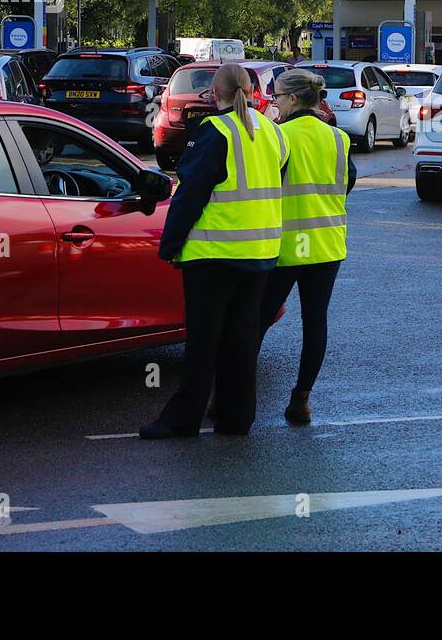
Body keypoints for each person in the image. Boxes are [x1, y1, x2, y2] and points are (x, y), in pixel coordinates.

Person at [140, 63, 289, 440]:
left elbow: (190, 194)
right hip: (260, 252)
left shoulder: (213, 131)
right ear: (252, 93)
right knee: (241, 340)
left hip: (214, 254)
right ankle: (237, 418)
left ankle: (183, 419)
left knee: (203, 343)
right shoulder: (273, 132)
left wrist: (171, 245)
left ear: (214, 94)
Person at [258, 67, 356, 425]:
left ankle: (232, 397)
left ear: (294, 99)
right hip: (327, 245)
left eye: (278, 97)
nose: (274, 103)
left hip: (285, 245)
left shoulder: (280, 136)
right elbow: (348, 183)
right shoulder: (338, 139)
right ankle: (301, 400)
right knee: (315, 323)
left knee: (256, 321)